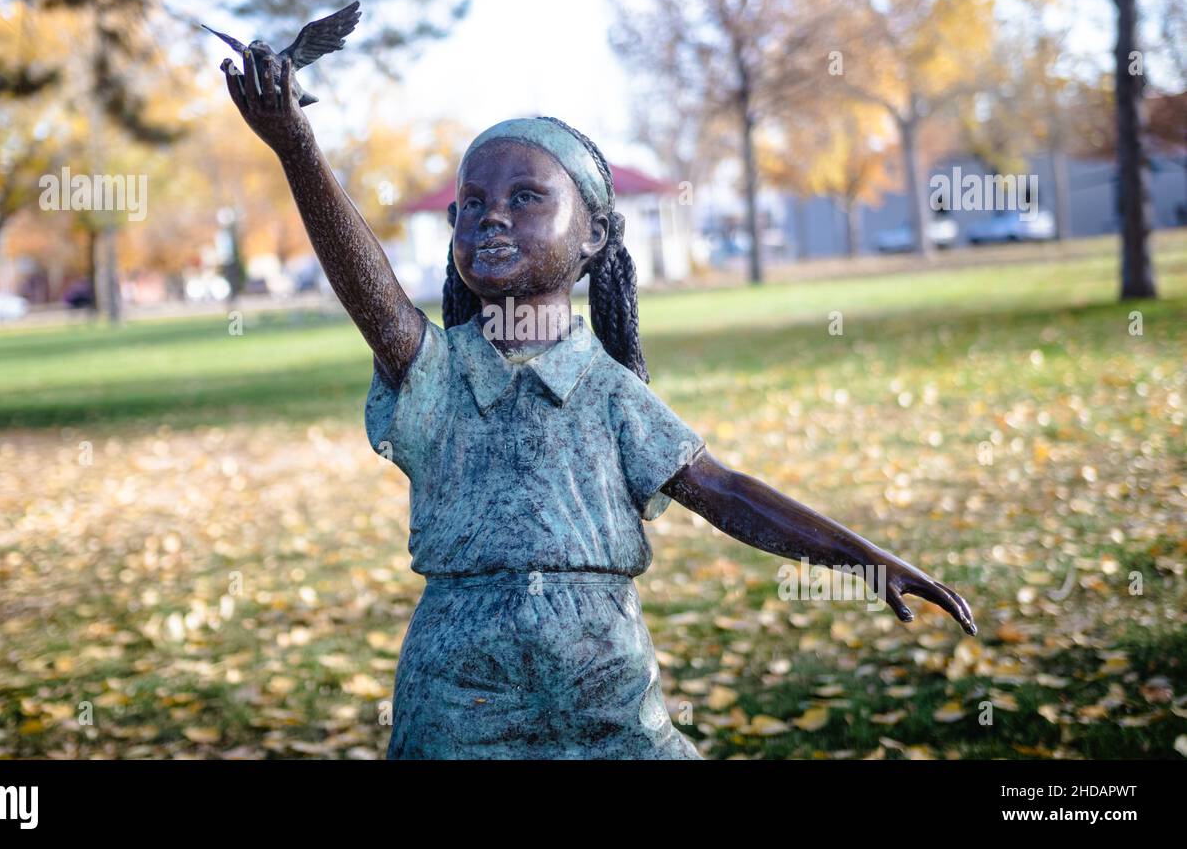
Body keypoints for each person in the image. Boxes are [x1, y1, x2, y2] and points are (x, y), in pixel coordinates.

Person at [219, 51, 976, 759]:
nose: (490, 217)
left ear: (595, 237)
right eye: (471, 204)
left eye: (525, 199)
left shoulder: (614, 394)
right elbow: (368, 289)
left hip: (601, 677)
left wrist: (863, 558)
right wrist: (298, 148)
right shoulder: (434, 370)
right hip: (457, 686)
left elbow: (726, 492)